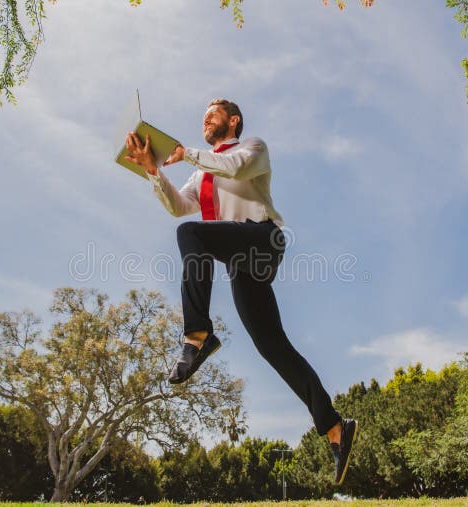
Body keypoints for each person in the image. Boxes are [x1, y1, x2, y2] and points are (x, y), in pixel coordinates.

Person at [124, 98, 358, 484]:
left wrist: (189, 154)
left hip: (263, 240)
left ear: (233, 121)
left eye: (213, 113)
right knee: (271, 346)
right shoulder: (200, 173)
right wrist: (153, 171)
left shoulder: (253, 148)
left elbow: (236, 167)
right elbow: (179, 205)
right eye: (204, 115)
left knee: (191, 234)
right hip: (240, 261)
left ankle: (197, 335)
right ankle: (335, 428)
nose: (206, 117)